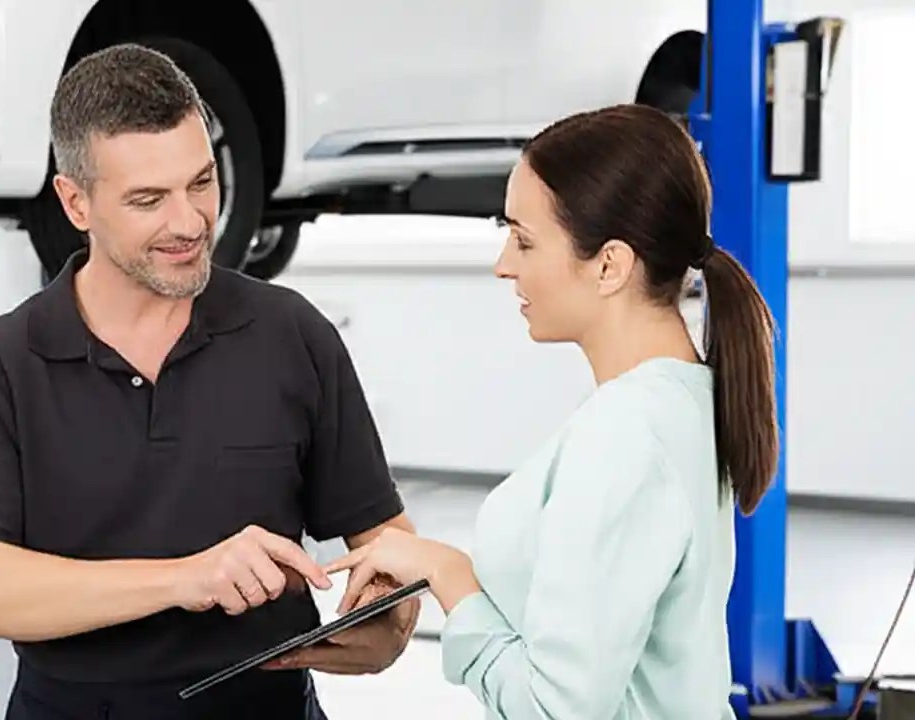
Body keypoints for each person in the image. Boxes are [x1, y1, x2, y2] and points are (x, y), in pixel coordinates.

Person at [0, 43, 419, 720]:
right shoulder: (0, 366)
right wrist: (188, 578)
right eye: (148, 199)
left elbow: (386, 539)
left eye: (202, 182)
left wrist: (388, 624)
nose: (189, 222)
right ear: (75, 203)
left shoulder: (291, 334)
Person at [324, 103, 777, 719]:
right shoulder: (684, 400)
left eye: (524, 240)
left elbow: (552, 710)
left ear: (610, 265)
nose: (504, 263)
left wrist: (446, 572)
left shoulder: (626, 436)